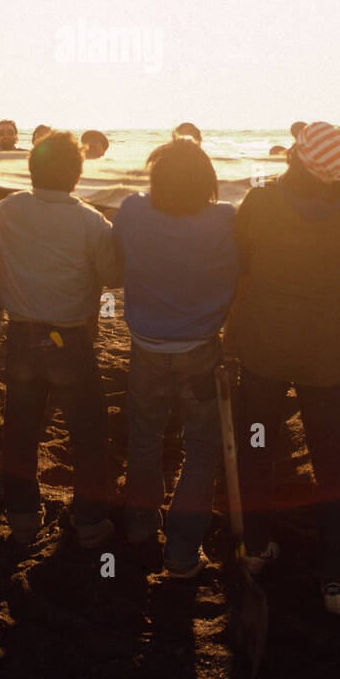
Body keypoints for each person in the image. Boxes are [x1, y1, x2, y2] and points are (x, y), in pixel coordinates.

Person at [229, 121, 340, 615]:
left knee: (258, 448)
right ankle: (333, 578)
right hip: (322, 355)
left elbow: (241, 260)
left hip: (264, 348)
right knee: (332, 465)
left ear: (294, 155)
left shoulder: (260, 202)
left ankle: (257, 547)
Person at [112, 138, 238, 578]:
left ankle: (141, 529)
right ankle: (182, 554)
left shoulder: (132, 210)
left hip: (147, 344)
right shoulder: (225, 219)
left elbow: (116, 261)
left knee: (144, 438)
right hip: (199, 346)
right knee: (201, 449)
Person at [0, 130, 120, 548]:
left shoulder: (7, 209)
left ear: (31, 170)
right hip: (70, 337)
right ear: (78, 176)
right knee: (88, 431)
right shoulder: (91, 222)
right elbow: (114, 277)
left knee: (21, 429)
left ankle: (23, 518)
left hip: (21, 332)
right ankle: (87, 521)